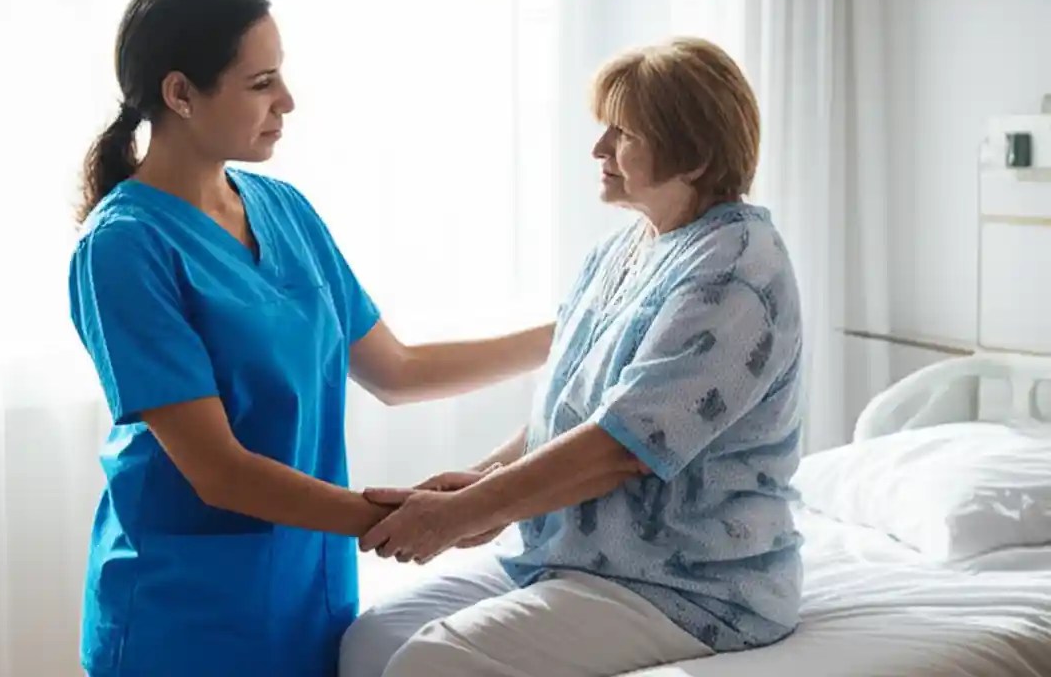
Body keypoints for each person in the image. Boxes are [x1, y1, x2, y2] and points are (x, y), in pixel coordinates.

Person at [66, 0, 554, 677]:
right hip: (184, 621)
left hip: (307, 597)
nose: (287, 101)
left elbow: (396, 369)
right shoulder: (123, 247)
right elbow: (220, 474)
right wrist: (410, 519)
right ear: (180, 94)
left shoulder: (282, 208)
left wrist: (564, 336)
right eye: (261, 83)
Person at [340, 36, 805, 677]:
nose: (598, 150)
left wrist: (469, 512)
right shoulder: (619, 252)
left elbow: (621, 445)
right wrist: (481, 482)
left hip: (691, 588)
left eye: (623, 133)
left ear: (693, 156)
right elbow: (571, 413)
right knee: (371, 639)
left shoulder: (737, 268)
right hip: (572, 558)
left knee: (430, 665)